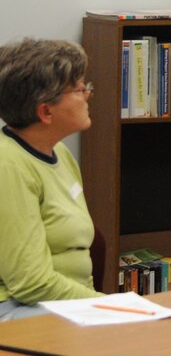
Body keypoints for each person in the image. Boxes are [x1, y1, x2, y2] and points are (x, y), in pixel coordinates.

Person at [0, 38, 103, 320]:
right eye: (79, 89)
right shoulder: (8, 166)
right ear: (45, 111)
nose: (87, 95)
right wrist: (107, 305)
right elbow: (31, 284)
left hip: (60, 304)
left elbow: (78, 256)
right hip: (14, 308)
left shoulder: (59, 152)